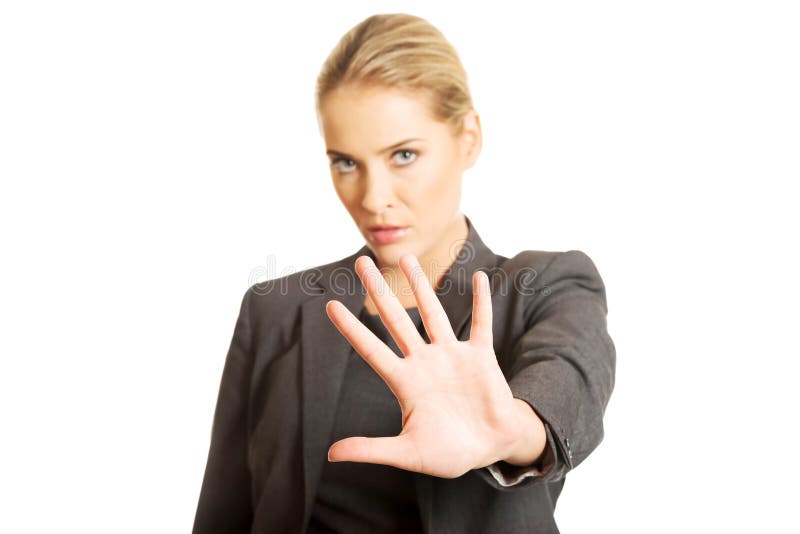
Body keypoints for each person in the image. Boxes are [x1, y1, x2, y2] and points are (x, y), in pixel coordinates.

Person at [192, 12, 615, 534]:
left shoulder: (546, 285)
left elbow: (570, 380)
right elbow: (222, 513)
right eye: (346, 162)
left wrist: (512, 431)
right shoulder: (274, 309)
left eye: (404, 155)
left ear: (469, 138)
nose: (373, 198)